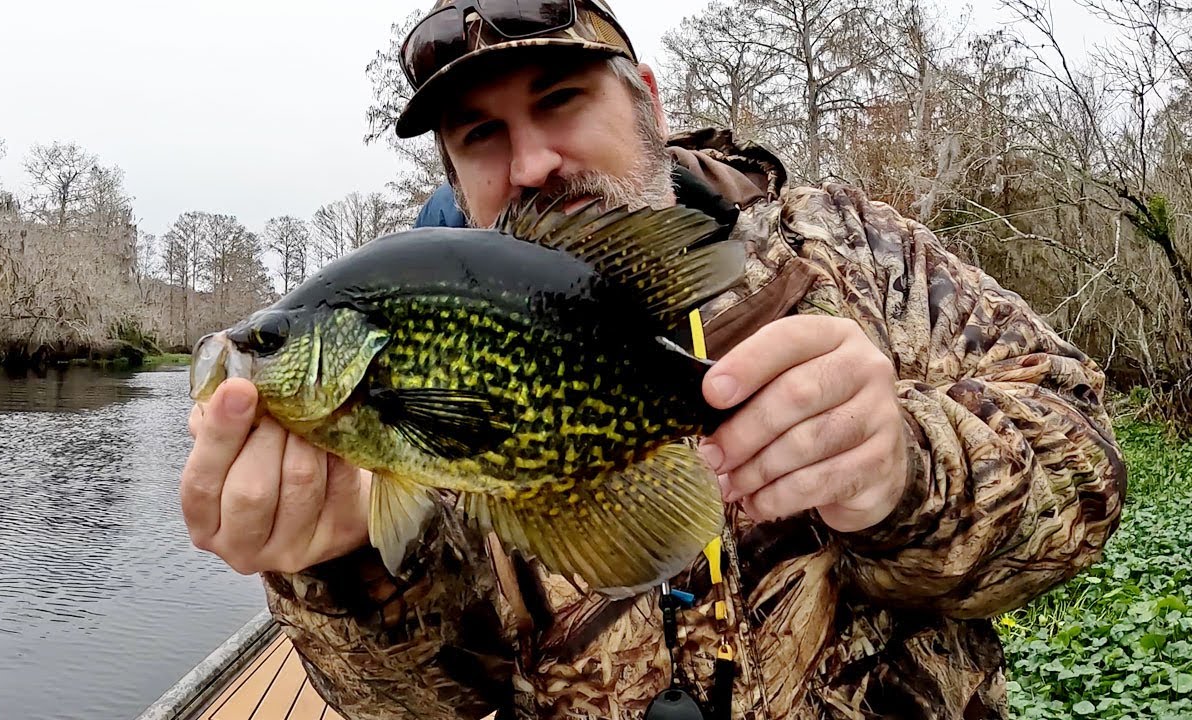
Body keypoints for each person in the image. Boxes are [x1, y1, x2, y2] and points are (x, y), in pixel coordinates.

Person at [179, 1, 1128, 717]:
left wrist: (907, 466)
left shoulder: (860, 256)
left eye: (561, 100)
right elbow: (424, 706)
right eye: (481, 135)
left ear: (646, 103)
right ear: (453, 175)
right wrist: (343, 574)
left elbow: (1087, 472)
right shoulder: (387, 401)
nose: (536, 162)